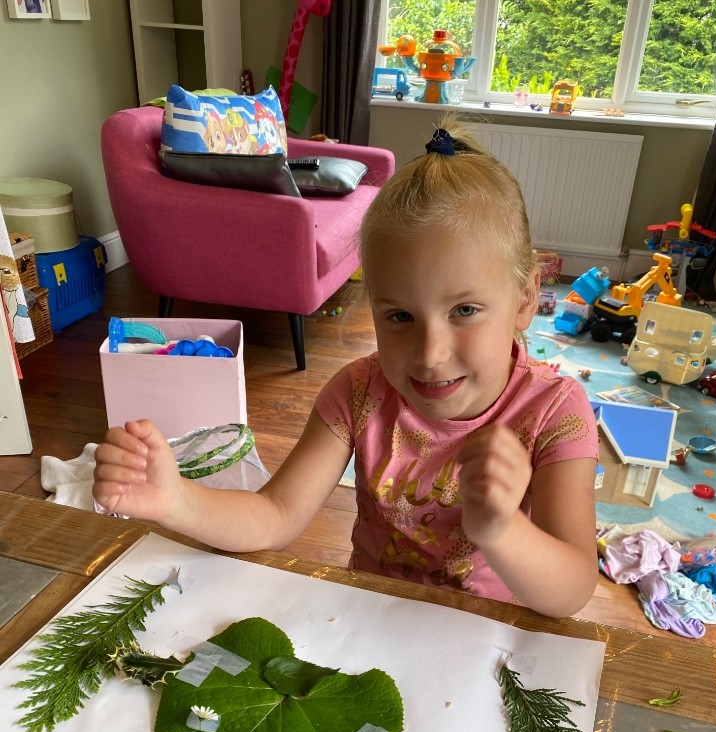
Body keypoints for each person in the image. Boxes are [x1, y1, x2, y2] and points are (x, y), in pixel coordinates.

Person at [93, 116, 598, 617]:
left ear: (528, 298)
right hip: (366, 627)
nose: (429, 353)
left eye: (464, 311)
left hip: (491, 648)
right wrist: (175, 500)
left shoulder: (554, 412)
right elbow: (273, 515)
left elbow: (571, 591)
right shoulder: (359, 393)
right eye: (400, 315)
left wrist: (503, 530)